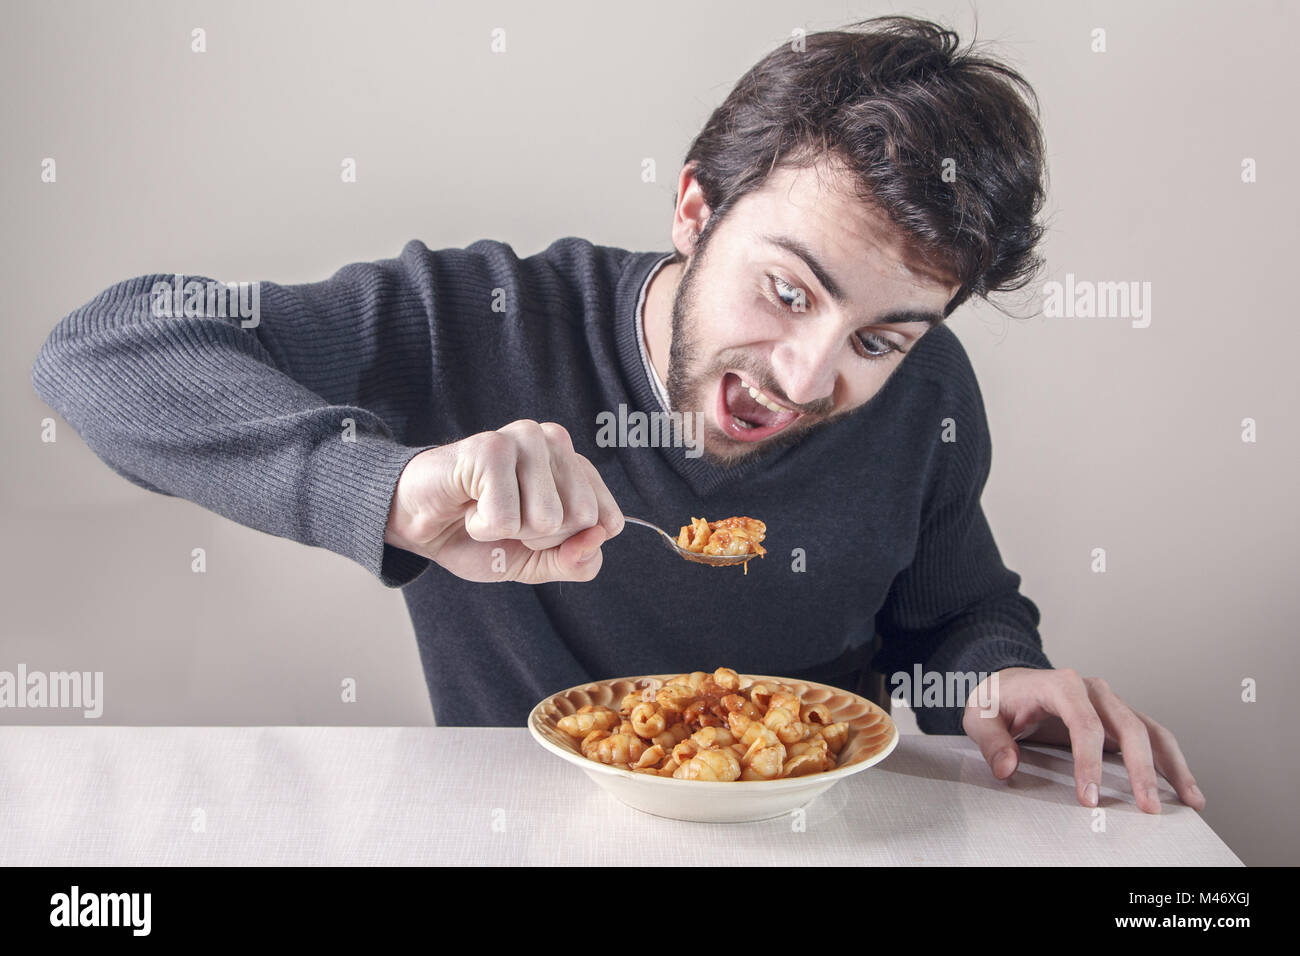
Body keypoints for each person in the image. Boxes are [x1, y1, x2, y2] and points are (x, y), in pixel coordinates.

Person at [31, 15, 1203, 814]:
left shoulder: (929, 397)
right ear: (695, 208)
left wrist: (996, 677)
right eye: (788, 289)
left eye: (878, 338)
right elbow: (104, 351)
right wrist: (386, 489)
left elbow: (951, 619)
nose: (805, 378)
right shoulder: (478, 318)